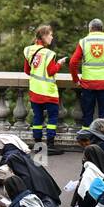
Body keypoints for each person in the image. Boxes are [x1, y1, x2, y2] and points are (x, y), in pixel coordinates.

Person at [23, 24, 67, 154]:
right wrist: (60, 63)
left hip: (35, 91)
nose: (52, 37)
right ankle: (50, 145)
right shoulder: (49, 54)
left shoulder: (28, 50)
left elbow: (27, 71)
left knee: (37, 117)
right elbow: (51, 71)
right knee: (52, 117)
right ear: (44, 36)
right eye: (50, 34)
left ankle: (37, 144)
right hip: (48, 92)